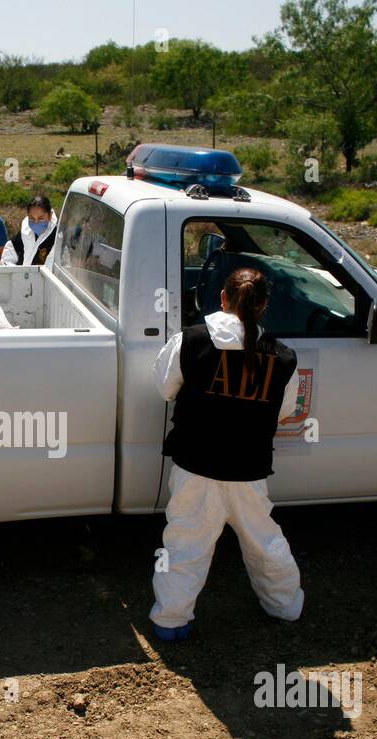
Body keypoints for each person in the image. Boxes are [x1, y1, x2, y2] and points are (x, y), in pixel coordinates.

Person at [149, 267, 304, 641]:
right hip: (248, 471)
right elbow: (283, 412)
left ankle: (170, 621)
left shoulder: (190, 341)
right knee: (265, 542)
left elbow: (165, 388)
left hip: (195, 466)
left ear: (222, 298)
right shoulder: (283, 357)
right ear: (263, 306)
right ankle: (285, 607)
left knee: (185, 545)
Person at [0, 195, 57, 266]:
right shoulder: (24, 233)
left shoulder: (56, 237)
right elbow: (7, 259)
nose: (36, 222)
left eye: (41, 218)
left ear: (50, 216)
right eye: (32, 218)